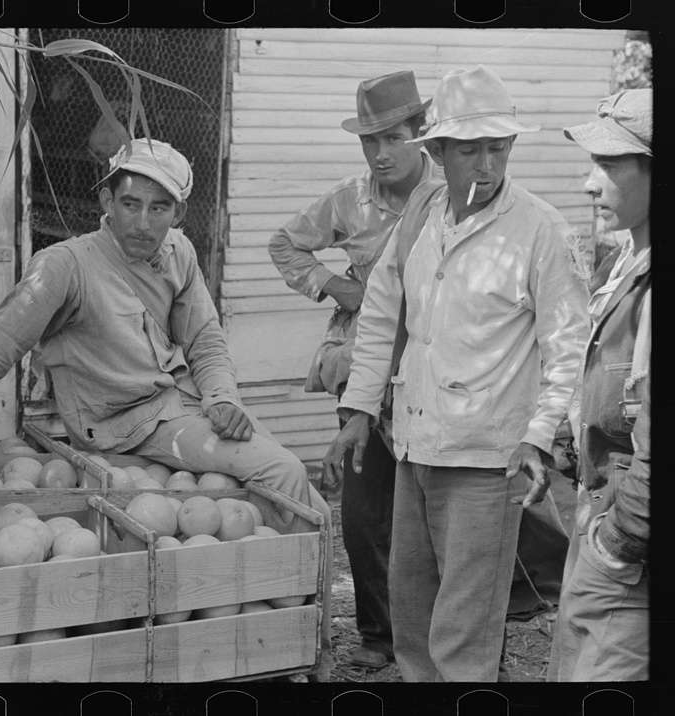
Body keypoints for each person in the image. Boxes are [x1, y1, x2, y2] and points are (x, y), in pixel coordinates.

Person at [0, 137, 330, 535]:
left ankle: (282, 591)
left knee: (316, 506)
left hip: (184, 406)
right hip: (128, 426)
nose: (143, 222)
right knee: (284, 471)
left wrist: (223, 397)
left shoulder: (178, 252)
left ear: (178, 212)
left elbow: (205, 339)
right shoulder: (65, 267)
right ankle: (292, 598)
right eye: (130, 204)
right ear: (107, 201)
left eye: (159, 208)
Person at [326, 66, 590, 681]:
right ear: (439, 152)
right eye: (470, 150)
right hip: (414, 444)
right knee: (413, 616)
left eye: (498, 147)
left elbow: (568, 345)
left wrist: (540, 435)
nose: (486, 165)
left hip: (486, 458)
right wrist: (359, 408)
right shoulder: (422, 215)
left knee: (464, 631)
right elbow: (382, 310)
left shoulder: (540, 229)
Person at [268, 70, 436, 669]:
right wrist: (337, 286)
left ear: (422, 133)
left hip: (431, 371)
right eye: (370, 141)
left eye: (394, 138)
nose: (381, 153)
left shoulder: (448, 194)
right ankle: (378, 634)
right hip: (364, 371)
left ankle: (439, 636)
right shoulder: (349, 199)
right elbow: (285, 244)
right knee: (364, 514)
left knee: (433, 510)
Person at [548, 88, 651, 682]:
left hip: (628, 543)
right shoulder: (624, 261)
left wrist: (619, 540)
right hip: (601, 513)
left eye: (610, 165)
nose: (590, 183)